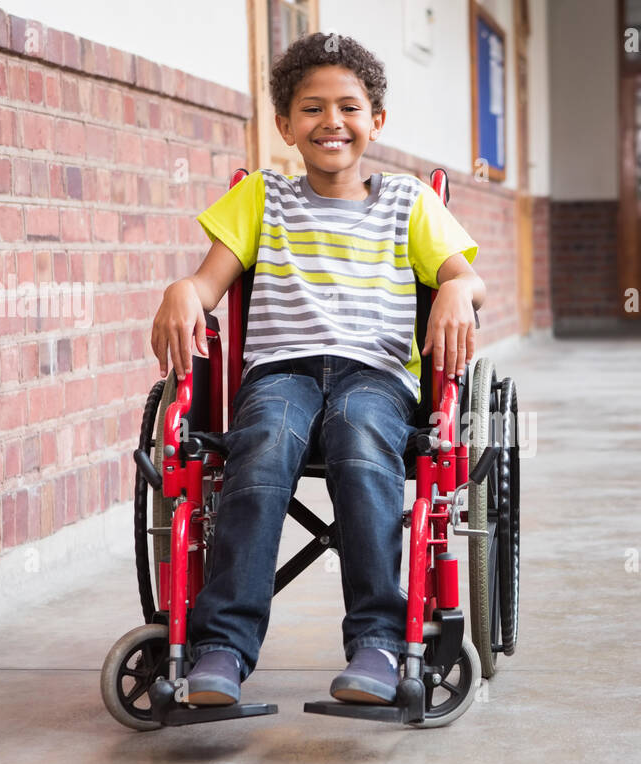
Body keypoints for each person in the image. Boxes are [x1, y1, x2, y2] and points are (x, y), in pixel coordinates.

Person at [149, 33, 484, 706]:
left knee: (363, 442)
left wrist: (455, 288)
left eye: (350, 107)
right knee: (263, 448)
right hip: (282, 373)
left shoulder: (409, 201)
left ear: (376, 121)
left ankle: (380, 645)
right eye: (311, 108)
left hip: (377, 377)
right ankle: (220, 649)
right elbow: (206, 286)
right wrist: (182, 291)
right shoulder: (262, 199)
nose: (332, 121)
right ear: (284, 126)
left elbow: (468, 278)